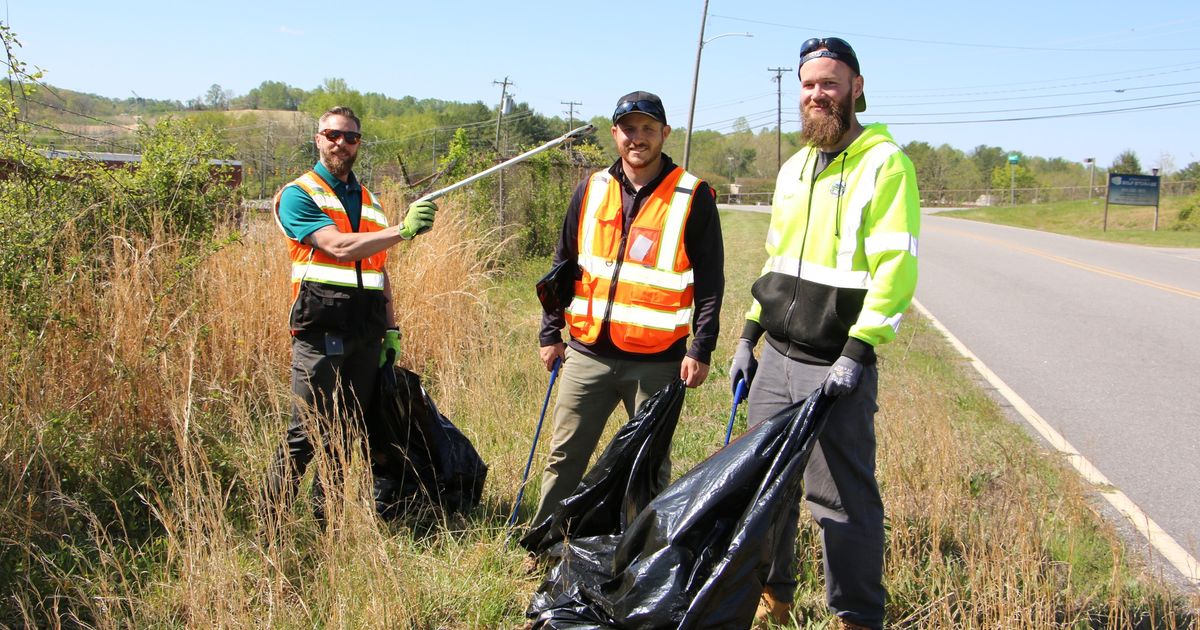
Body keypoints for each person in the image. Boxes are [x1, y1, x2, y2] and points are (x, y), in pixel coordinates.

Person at [729, 38, 920, 630]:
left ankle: (857, 617)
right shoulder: (795, 168)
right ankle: (773, 598)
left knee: (839, 502)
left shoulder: (884, 163)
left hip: (834, 366)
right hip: (778, 358)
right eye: (810, 86)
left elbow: (896, 268)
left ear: (856, 87)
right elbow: (776, 262)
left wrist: (857, 352)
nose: (818, 95)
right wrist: (747, 334)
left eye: (830, 84)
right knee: (763, 491)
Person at [529, 91, 725, 533]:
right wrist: (549, 332)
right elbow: (563, 265)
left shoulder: (692, 195)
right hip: (587, 353)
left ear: (664, 134)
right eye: (629, 129)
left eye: (648, 129)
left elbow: (711, 282)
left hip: (658, 361)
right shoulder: (591, 188)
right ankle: (546, 542)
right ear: (616, 133)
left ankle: (642, 554)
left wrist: (703, 346)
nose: (638, 139)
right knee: (565, 455)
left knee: (649, 465)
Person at [267, 105, 438, 520]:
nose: (341, 143)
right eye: (332, 135)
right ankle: (271, 523)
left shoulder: (369, 200)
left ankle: (328, 520)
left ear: (359, 144)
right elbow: (338, 247)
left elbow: (380, 269)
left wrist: (392, 328)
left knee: (346, 433)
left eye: (350, 137)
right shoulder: (298, 194)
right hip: (321, 329)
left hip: (366, 333)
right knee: (305, 433)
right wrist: (403, 230)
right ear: (318, 139)